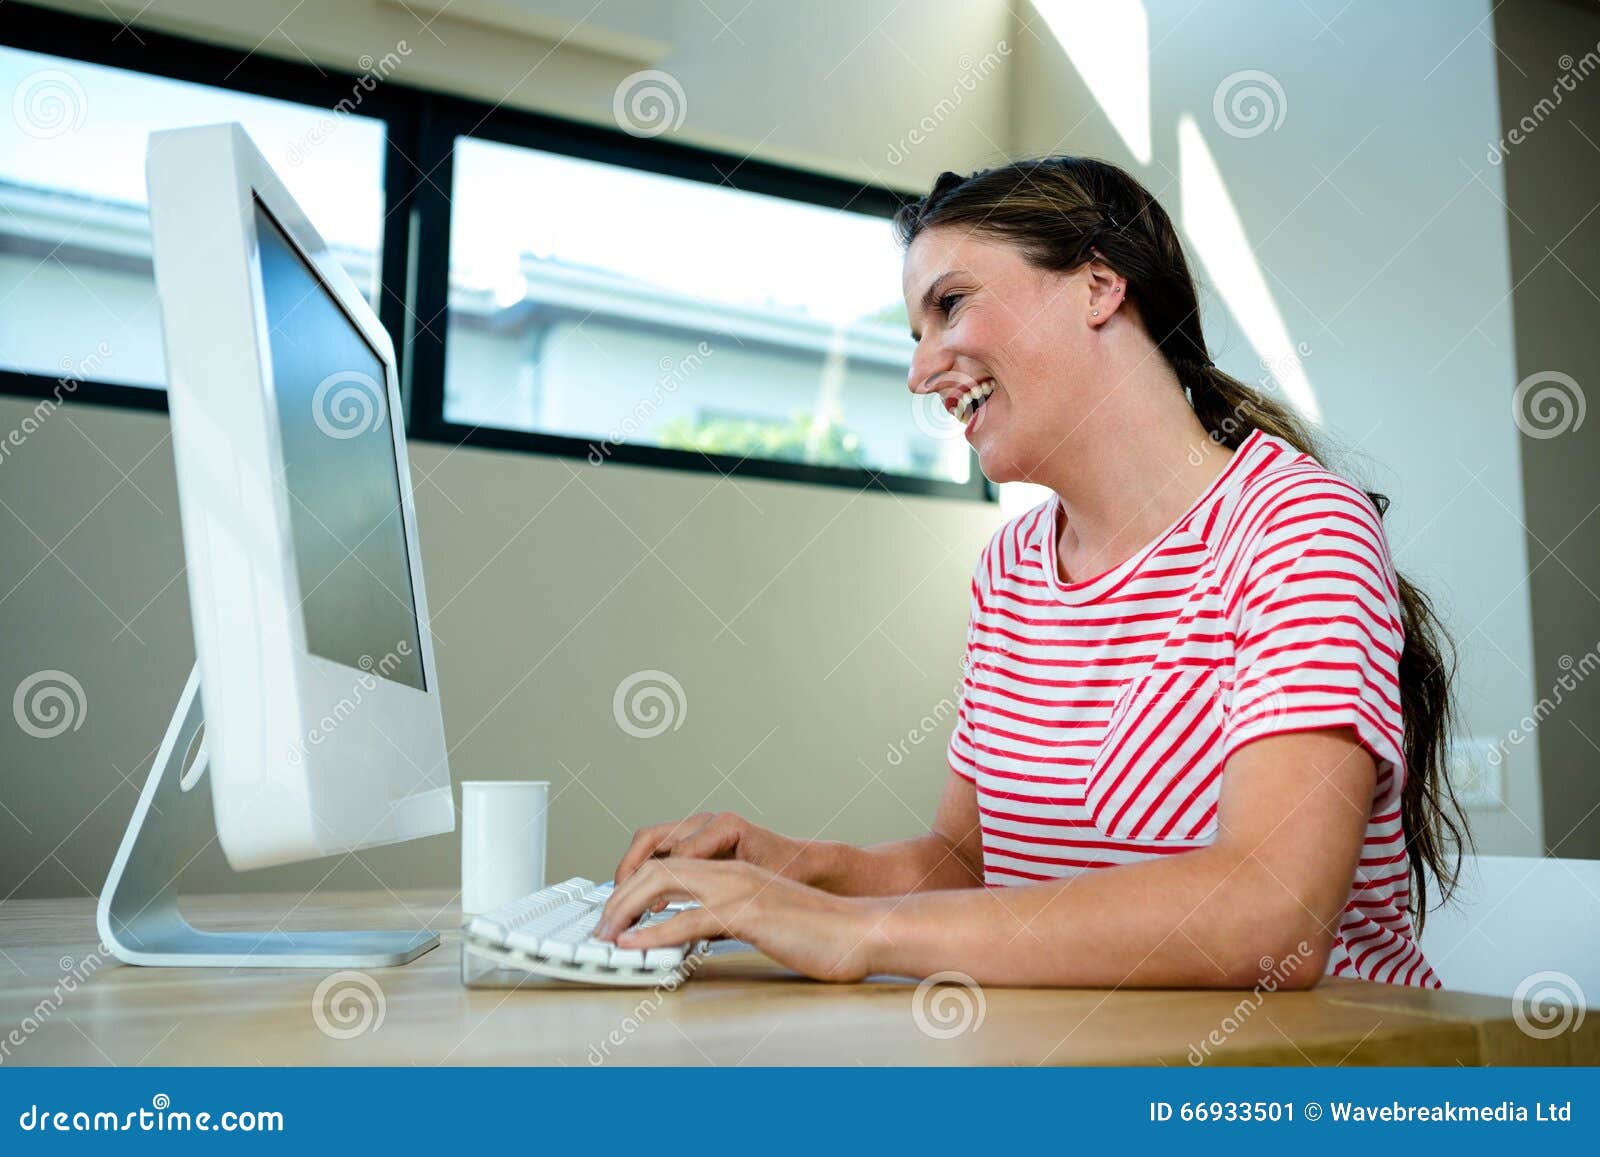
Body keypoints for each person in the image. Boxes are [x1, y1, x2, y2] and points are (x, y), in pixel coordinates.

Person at [595, 157, 1471, 989]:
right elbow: (971, 863)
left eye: (951, 305)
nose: (919, 368)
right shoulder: (1012, 570)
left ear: (1099, 285)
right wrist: (801, 868)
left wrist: (855, 933)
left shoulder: (1295, 528)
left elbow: (1268, 913)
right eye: (916, 331)